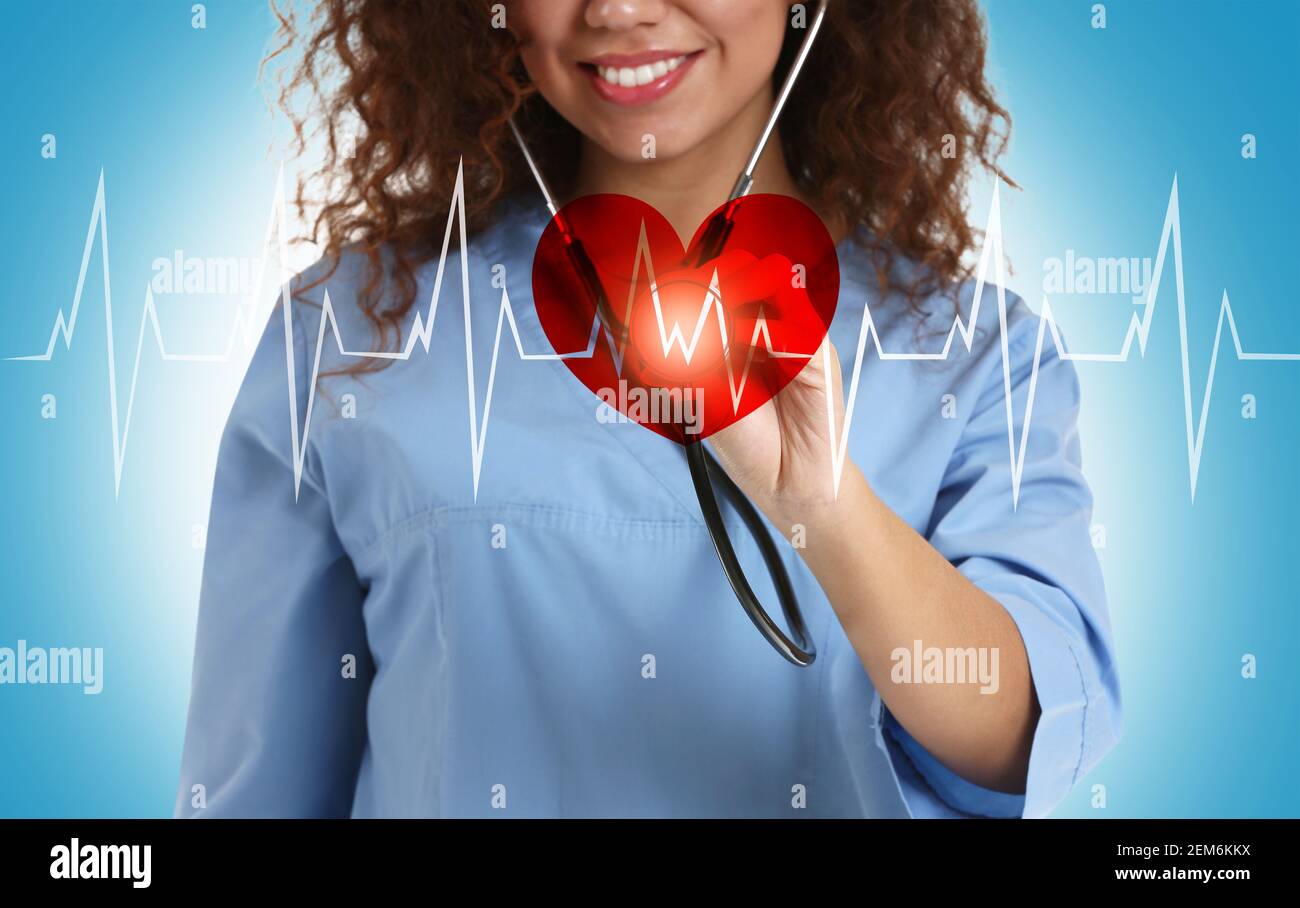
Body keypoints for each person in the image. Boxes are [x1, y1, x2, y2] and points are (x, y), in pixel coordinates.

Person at [174, 0, 1120, 818]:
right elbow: (252, 788)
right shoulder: (348, 339)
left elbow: (1021, 734)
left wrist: (829, 515)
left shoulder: (973, 353)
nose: (619, 10)